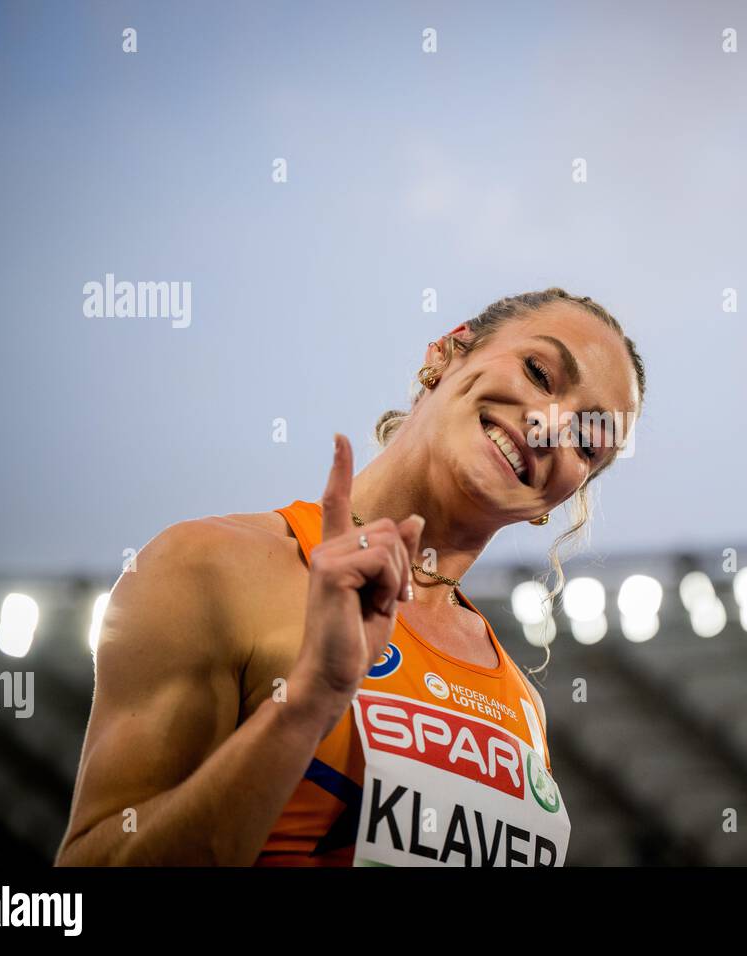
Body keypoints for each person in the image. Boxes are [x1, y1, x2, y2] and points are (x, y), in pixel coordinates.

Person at [54, 288, 646, 866]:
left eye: (587, 440)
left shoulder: (523, 708)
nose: (549, 426)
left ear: (560, 497)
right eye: (539, 373)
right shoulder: (212, 565)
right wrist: (310, 702)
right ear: (446, 352)